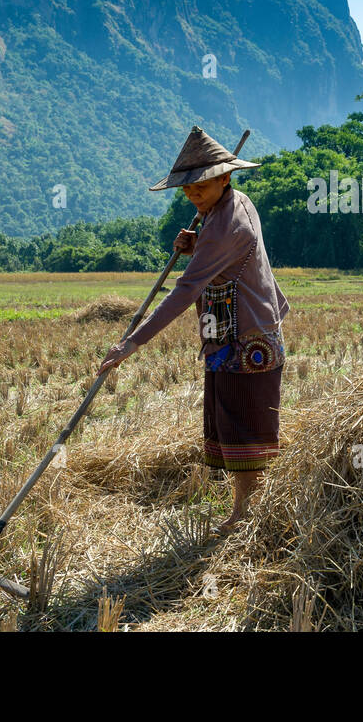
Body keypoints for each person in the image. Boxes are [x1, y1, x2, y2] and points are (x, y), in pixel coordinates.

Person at [97, 127, 289, 534]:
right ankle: (245, 509)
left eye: (201, 186)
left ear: (224, 177)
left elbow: (185, 290)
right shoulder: (228, 207)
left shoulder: (226, 226)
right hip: (227, 333)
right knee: (230, 420)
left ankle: (245, 515)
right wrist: (196, 240)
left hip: (247, 338)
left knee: (244, 428)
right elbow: (214, 241)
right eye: (187, 190)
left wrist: (133, 342)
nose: (193, 196)